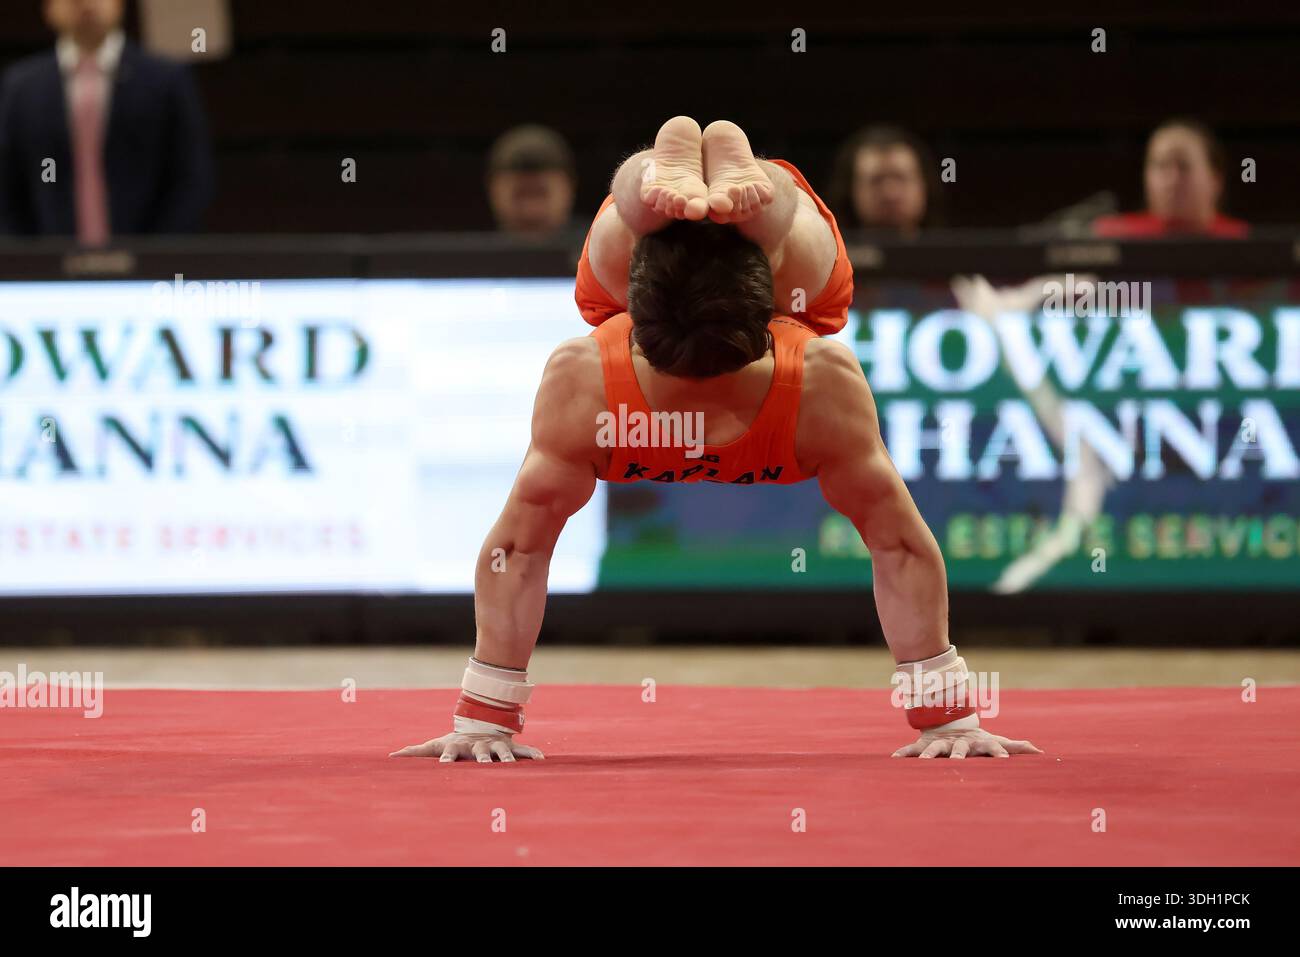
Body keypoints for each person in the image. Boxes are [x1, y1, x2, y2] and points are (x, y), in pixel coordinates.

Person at [392, 117, 1040, 763]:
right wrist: (944, 711)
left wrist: (485, 717)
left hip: (715, 300)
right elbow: (894, 544)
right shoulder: (812, 387)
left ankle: (651, 186)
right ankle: (752, 192)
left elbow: (521, 549)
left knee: (634, 249)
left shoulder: (596, 383)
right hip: (720, 300)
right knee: (805, 272)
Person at [0, 0, 214, 243]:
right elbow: (8, 186)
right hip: (50, 266)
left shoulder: (166, 79)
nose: (85, 4)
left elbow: (191, 177)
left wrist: (157, 255)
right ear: (48, 8)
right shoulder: (22, 87)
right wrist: (29, 258)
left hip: (150, 263)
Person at [1093, 118, 1247, 239]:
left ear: (1215, 179)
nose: (1172, 180)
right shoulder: (1112, 237)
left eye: (1184, 166)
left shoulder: (1244, 243)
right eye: (1161, 165)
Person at [825, 125, 938, 237]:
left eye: (900, 178)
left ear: (925, 184)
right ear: (849, 190)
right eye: (876, 181)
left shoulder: (953, 254)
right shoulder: (827, 254)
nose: (890, 193)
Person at [485, 124, 578, 238]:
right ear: (493, 190)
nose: (530, 211)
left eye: (541, 193)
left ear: (569, 188)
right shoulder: (473, 251)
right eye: (520, 194)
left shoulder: (601, 250)